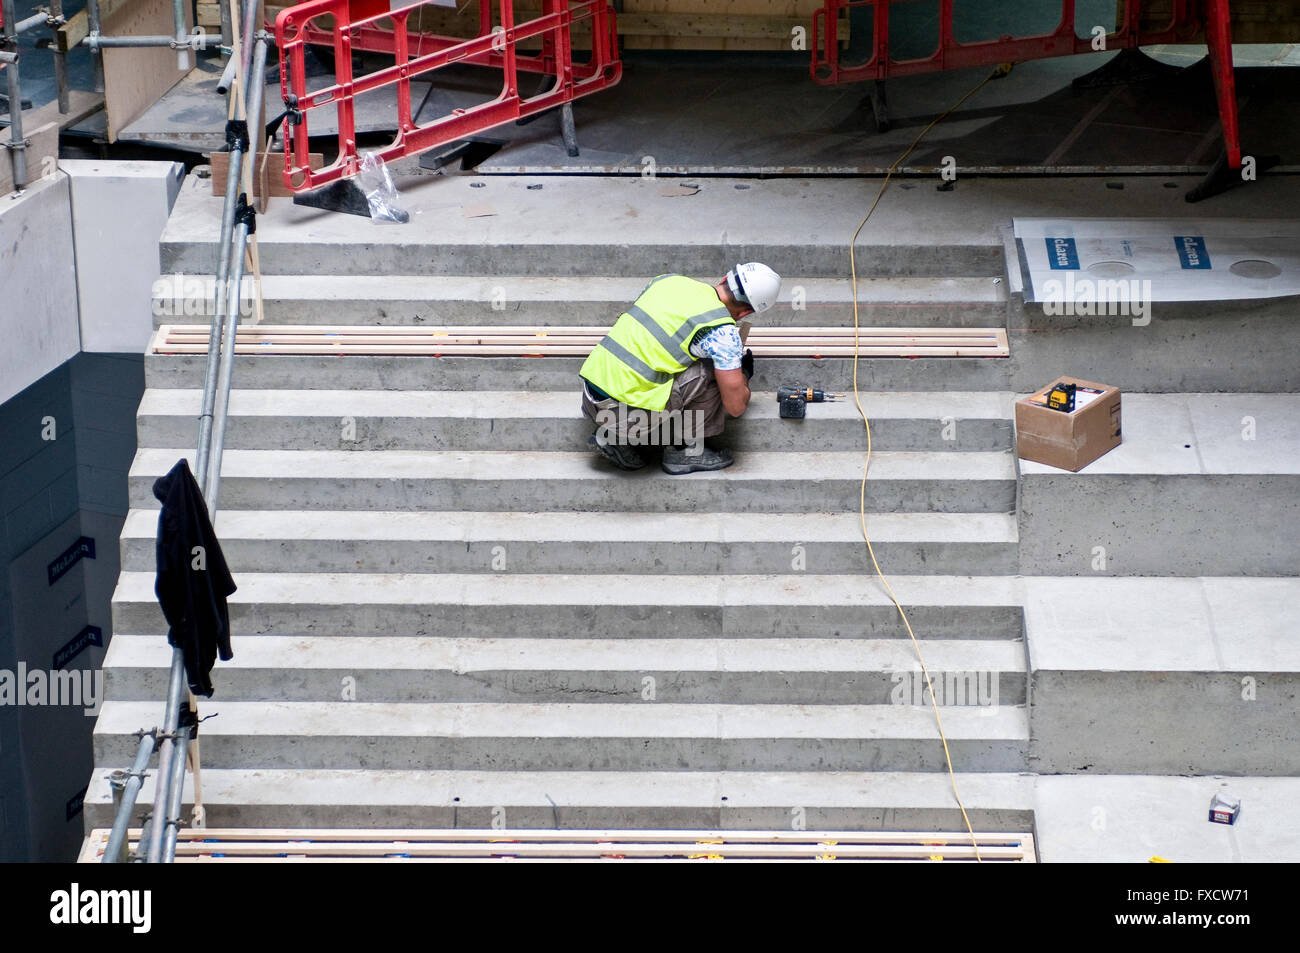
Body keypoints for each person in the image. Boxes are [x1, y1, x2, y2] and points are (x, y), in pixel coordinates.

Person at [578, 262, 781, 474]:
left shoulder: (668, 281)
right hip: (628, 417)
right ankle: (686, 450)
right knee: (714, 370)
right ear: (745, 312)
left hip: (591, 397)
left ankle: (613, 438)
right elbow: (735, 406)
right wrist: (742, 375)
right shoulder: (723, 334)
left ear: (724, 279)